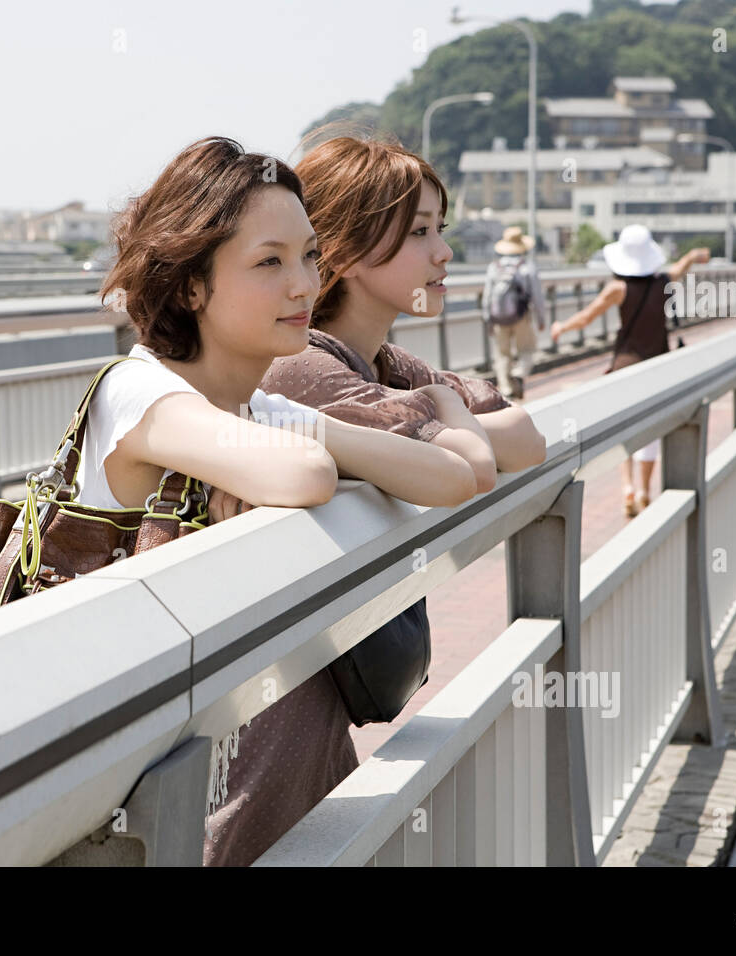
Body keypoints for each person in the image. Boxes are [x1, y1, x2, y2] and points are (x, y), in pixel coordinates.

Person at [95, 137, 496, 867]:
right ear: (190, 286)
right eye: (268, 262)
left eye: (310, 256)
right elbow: (304, 475)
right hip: (118, 794)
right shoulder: (138, 392)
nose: (303, 285)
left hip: (213, 771)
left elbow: (451, 480)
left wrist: (327, 429)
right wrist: (330, 437)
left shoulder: (258, 407)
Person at [262, 134, 546, 475]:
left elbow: (529, 438)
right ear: (344, 253)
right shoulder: (301, 367)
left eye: (440, 228)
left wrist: (428, 412)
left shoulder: (389, 364)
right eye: (419, 231)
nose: (444, 252)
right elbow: (469, 464)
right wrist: (443, 402)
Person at [548, 224, 709, 517]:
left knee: (627, 427)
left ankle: (628, 489)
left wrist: (562, 327)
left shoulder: (617, 288)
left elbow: (586, 317)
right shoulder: (663, 282)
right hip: (658, 367)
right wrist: (693, 256)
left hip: (626, 367)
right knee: (651, 429)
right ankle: (646, 490)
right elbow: (680, 268)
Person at [482, 227, 547, 400]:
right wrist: (541, 318)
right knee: (528, 349)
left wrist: (488, 320)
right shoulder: (526, 267)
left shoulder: (494, 267)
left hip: (498, 319)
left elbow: (487, 296)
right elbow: (537, 297)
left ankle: (506, 389)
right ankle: (519, 373)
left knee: (502, 354)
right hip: (521, 317)